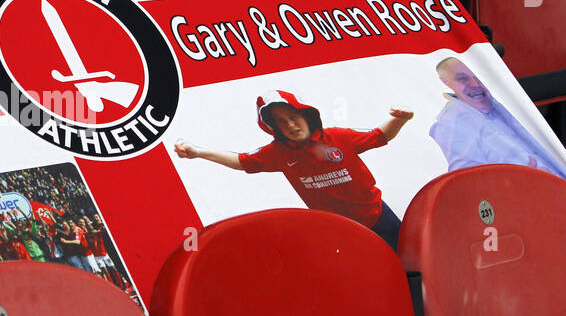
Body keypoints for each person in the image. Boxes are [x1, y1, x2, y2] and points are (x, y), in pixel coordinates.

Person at [174, 90, 413, 250]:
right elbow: (241, 161)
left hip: (378, 215)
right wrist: (198, 152)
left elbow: (379, 136)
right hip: (340, 231)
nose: (290, 124)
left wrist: (399, 120)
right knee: (372, 276)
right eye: (280, 121)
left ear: (305, 114)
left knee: (412, 265)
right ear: (273, 128)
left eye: (292, 116)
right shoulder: (278, 153)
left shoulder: (338, 137)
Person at [429, 57, 566, 245]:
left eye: (477, 77)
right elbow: (466, 185)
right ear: (445, 82)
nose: (474, 84)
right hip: (534, 218)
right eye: (463, 79)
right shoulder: (453, 125)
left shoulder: (492, 106)